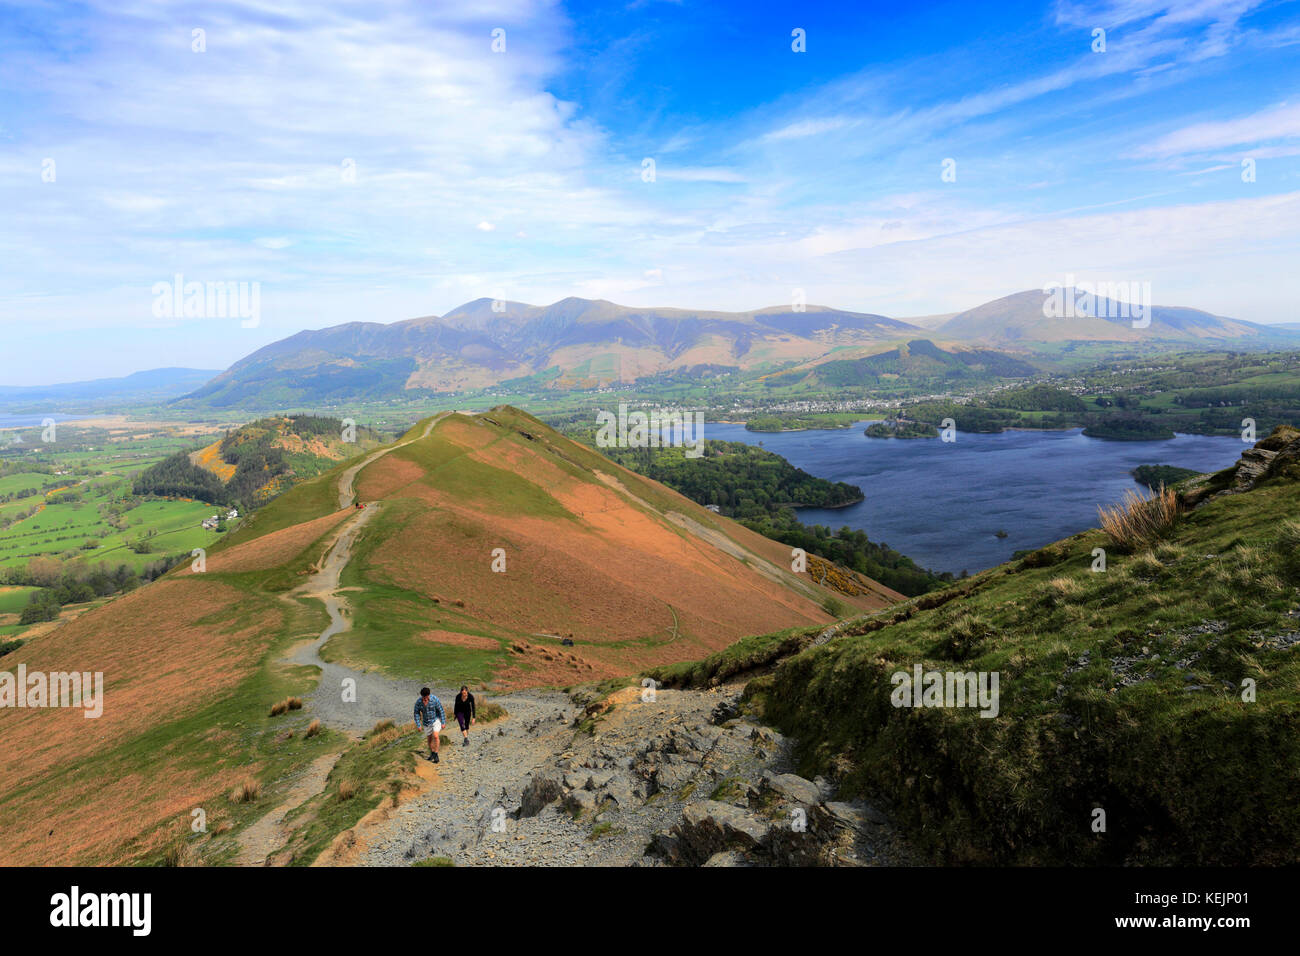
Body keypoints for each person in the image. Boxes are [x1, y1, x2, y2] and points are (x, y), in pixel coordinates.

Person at [413, 686, 446, 763]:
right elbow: (416, 713)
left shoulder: (434, 699)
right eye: (423, 697)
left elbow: (441, 710)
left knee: (435, 736)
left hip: (435, 720)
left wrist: (443, 722)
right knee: (429, 739)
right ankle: (432, 753)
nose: (425, 699)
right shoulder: (418, 702)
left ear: (429, 695)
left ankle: (436, 754)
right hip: (426, 722)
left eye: (426, 697)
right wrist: (418, 725)